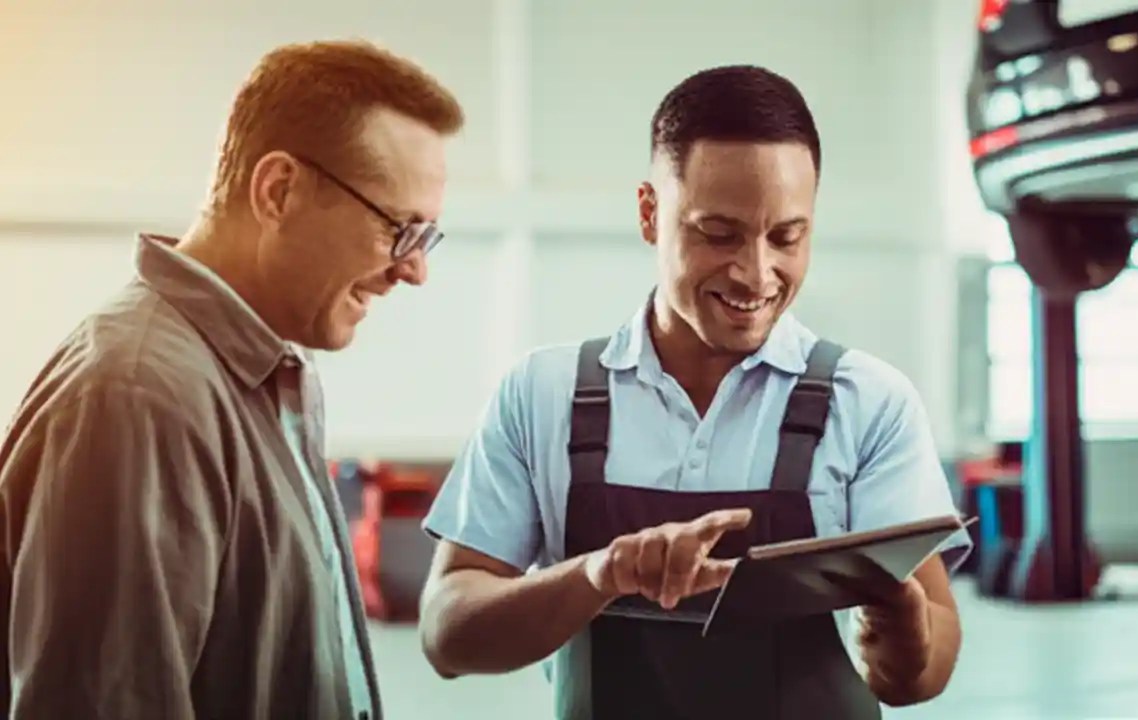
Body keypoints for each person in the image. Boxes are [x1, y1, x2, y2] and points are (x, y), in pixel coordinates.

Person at [417, 64, 972, 718]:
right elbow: (447, 633)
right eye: (719, 234)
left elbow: (917, 678)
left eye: (787, 236)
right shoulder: (542, 396)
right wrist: (600, 575)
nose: (756, 273)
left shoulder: (870, 402)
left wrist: (903, 628)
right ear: (651, 212)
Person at [0, 39, 463, 720]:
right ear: (278, 190)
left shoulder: (264, 377)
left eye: (426, 240)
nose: (415, 270)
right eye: (400, 231)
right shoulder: (139, 397)